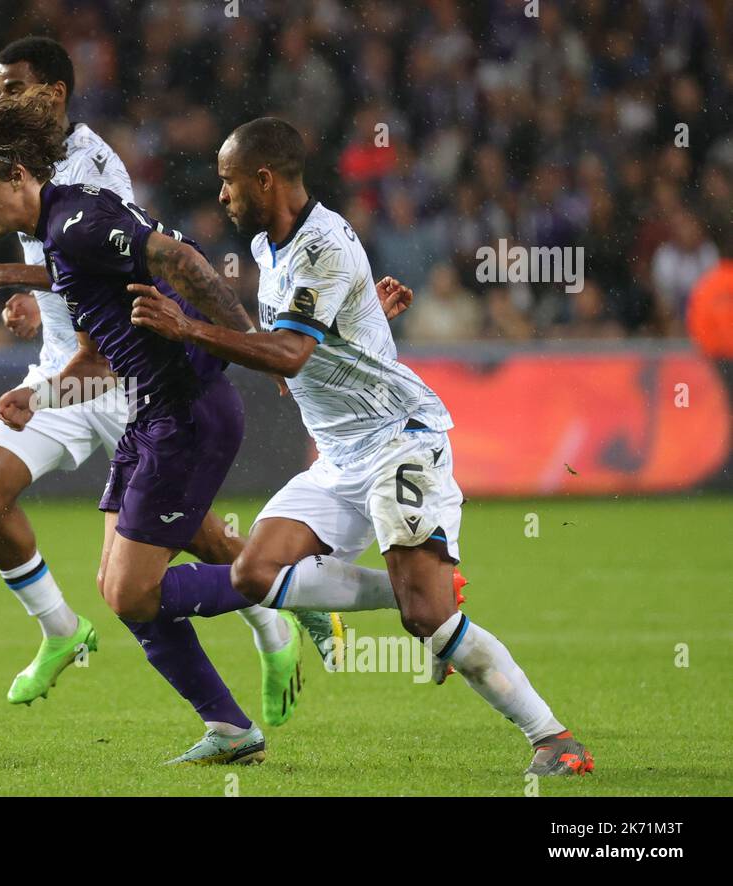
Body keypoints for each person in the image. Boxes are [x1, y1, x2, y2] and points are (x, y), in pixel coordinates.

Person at [129, 118, 592, 776]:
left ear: (265, 179)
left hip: (399, 440)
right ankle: (418, 590)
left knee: (427, 621)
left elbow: (290, 351)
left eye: (230, 182)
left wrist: (189, 329)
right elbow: (310, 339)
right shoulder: (269, 245)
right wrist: (365, 317)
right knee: (253, 575)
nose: (222, 195)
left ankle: (555, 739)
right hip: (339, 457)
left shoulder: (322, 244)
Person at [0, 37, 318, 724]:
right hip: (72, 363)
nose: (1, 100)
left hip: (129, 376)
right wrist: (40, 309)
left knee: (184, 545)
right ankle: (62, 631)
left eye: (13, 87)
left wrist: (7, 277)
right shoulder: (20, 177)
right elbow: (77, 273)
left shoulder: (88, 174)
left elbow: (134, 257)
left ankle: (279, 610)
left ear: (53, 93)